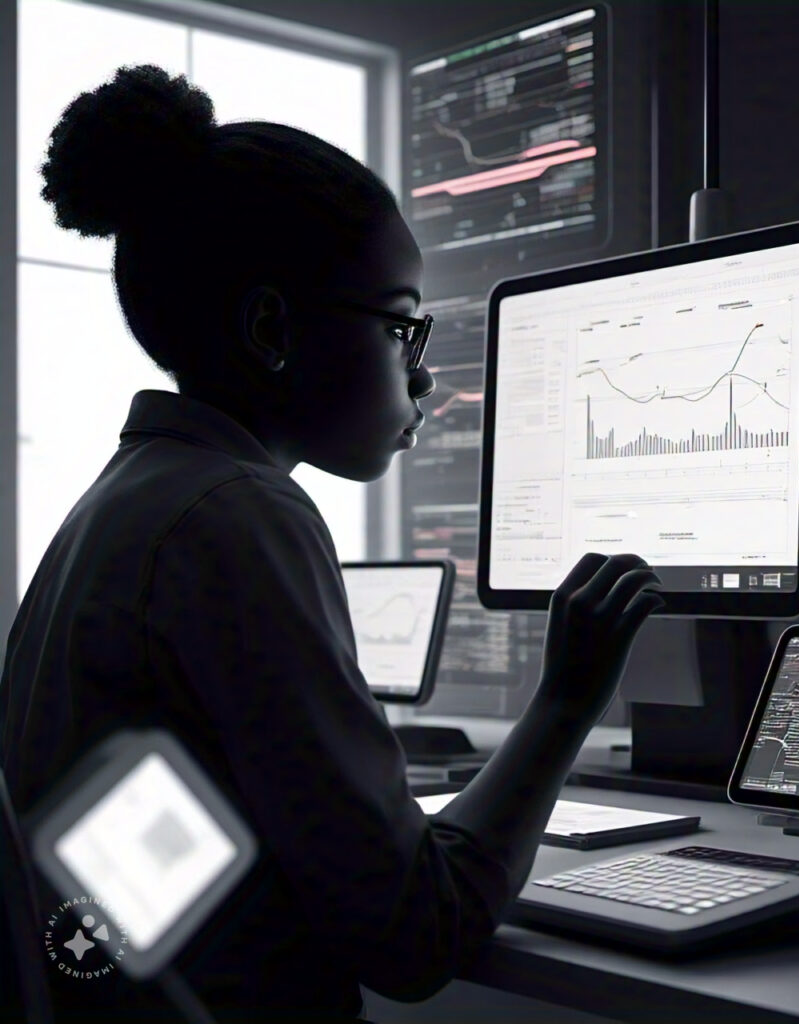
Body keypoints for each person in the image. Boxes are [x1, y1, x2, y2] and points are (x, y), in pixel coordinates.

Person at [0, 65, 665, 1022]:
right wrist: (567, 700)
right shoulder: (238, 516)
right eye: (401, 325)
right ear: (273, 328)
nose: (423, 377)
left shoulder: (130, 501)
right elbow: (414, 938)